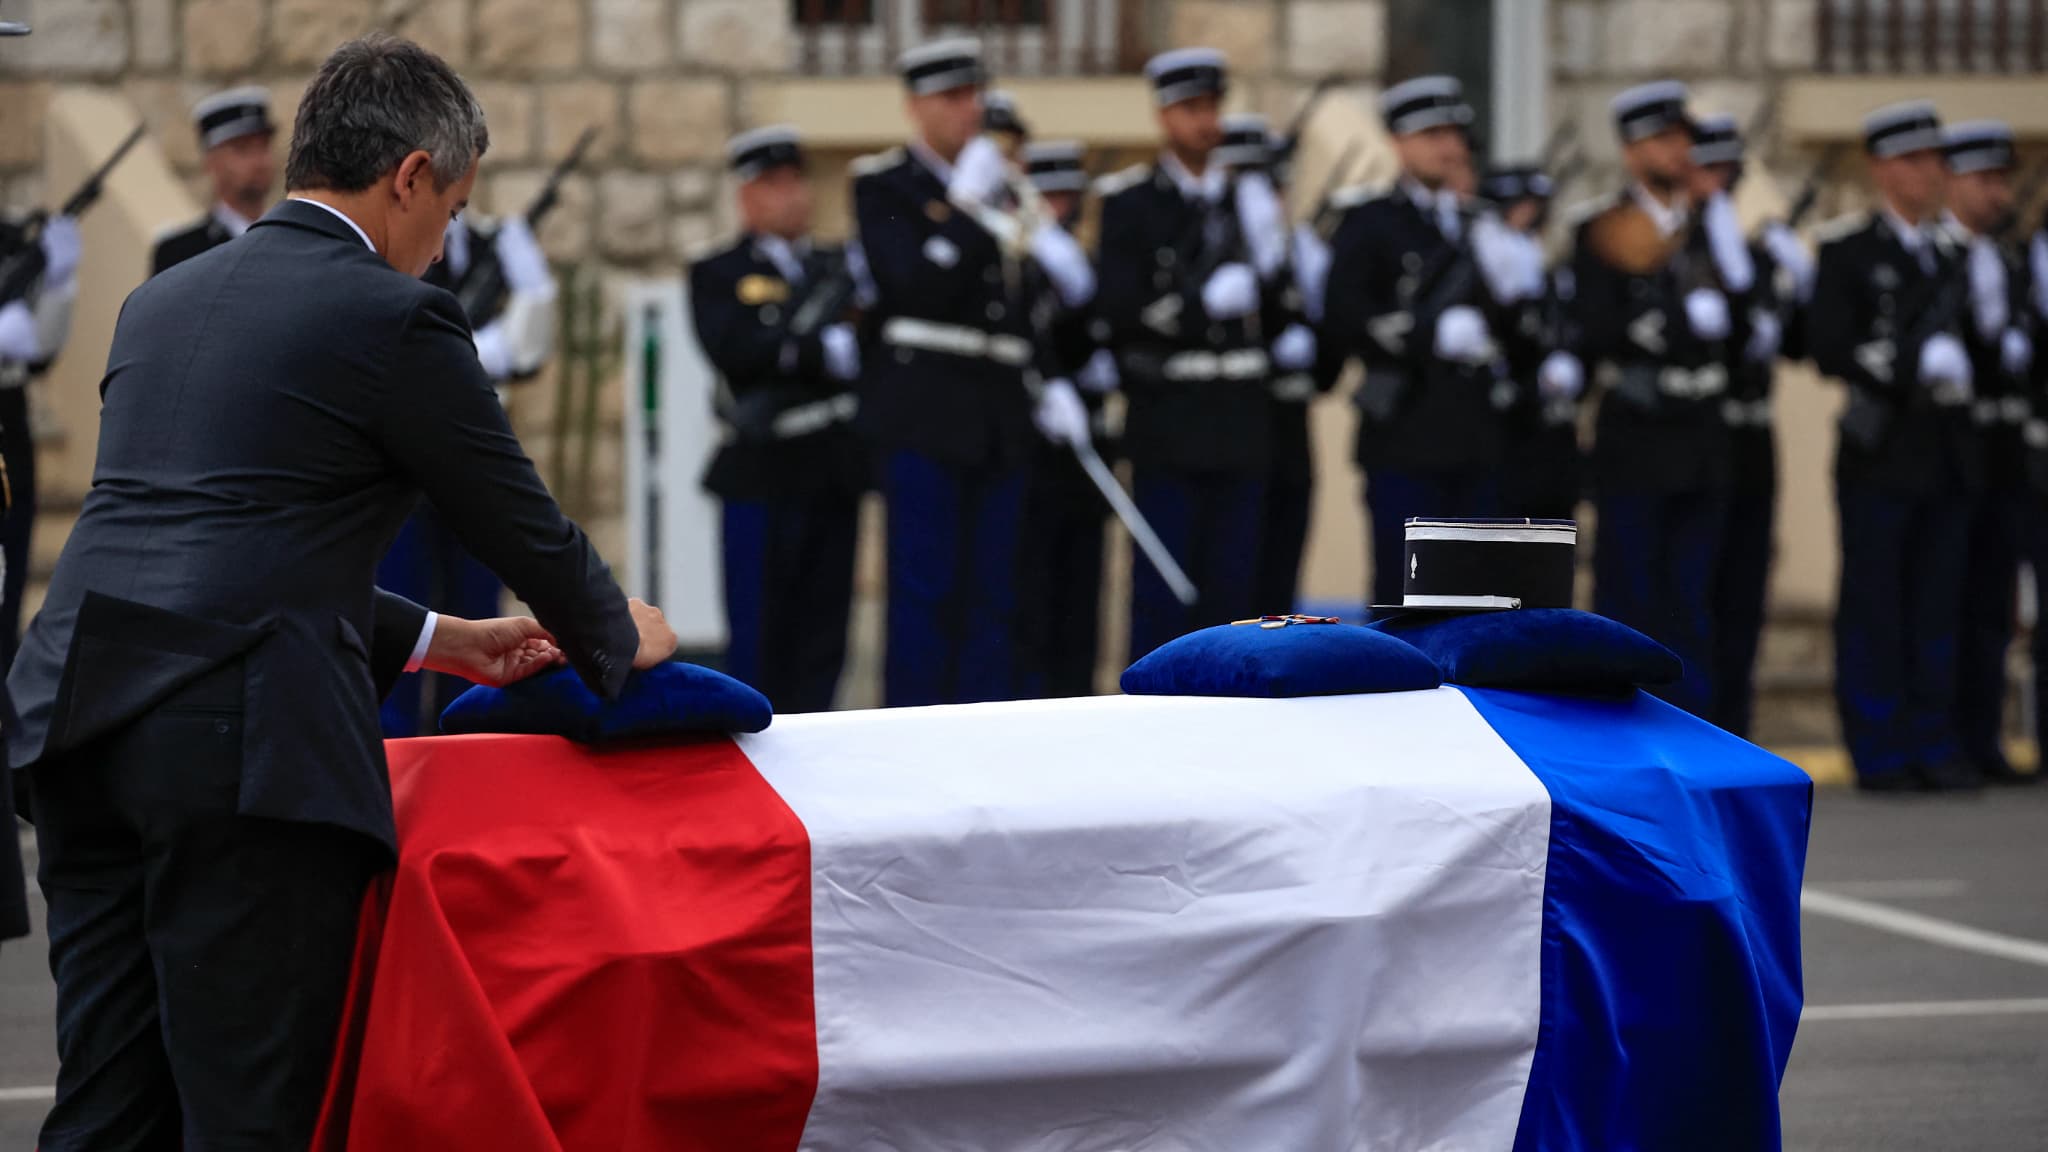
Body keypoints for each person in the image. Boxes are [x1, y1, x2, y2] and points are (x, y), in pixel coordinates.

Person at [8, 35, 676, 1145]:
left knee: (108, 1116)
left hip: (78, 721)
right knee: (253, 1117)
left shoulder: (163, 302)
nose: (444, 241)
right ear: (409, 176)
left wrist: (439, 641)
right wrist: (617, 634)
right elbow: (518, 519)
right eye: (452, 210)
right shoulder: (392, 315)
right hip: (237, 760)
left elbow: (202, 547)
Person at [851, 39, 1037, 706]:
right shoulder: (884, 184)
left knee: (996, 594)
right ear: (915, 106)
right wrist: (963, 206)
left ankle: (987, 737)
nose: (968, 110)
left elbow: (1025, 299)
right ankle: (915, 737)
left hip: (999, 413)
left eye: (974, 95)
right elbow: (910, 283)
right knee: (924, 591)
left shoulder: (1002, 184)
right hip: (925, 411)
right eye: (951, 97)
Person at [1810, 101, 1980, 792]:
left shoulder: (1958, 254)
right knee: (1878, 606)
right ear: (1881, 168)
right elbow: (1826, 346)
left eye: (1935, 160)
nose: (1928, 173)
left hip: (1947, 453)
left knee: (1939, 606)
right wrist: (1908, 364)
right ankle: (1880, 747)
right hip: (1880, 455)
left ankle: (1932, 743)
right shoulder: (1849, 250)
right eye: (1912, 161)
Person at [1096, 48, 1284, 657]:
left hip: (1241, 418)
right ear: (1165, 115)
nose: (1206, 122)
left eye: (1212, 107)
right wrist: (1202, 306)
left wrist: (1275, 255)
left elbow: (1283, 316)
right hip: (1171, 420)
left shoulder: (1246, 201)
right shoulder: (1132, 202)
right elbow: (1120, 310)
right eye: (1191, 109)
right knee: (1164, 593)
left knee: (1236, 591)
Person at [690, 126, 867, 713]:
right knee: (760, 629)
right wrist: (816, 350)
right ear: (747, 197)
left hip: (829, 468)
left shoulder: (836, 267)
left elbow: (867, 346)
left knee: (824, 632)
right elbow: (738, 350)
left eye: (796, 182)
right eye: (774, 185)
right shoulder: (718, 271)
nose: (790, 196)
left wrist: (795, 349)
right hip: (761, 471)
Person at [1570, 81, 1731, 716]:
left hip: (1703, 435)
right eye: (1662, 140)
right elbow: (1592, 326)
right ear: (1632, 152)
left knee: (1695, 597)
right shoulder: (1603, 229)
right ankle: (1625, 724)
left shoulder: (1712, 228)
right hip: (1638, 433)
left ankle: (1693, 724)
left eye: (1683, 139)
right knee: (1630, 591)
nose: (1679, 152)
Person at [1322, 76, 1508, 609]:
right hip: (1405, 434)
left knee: (1477, 597)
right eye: (1432, 135)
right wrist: (1428, 334)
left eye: (1454, 134)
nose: (1448, 148)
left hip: (1475, 435)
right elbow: (1344, 317)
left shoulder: (1479, 223)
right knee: (1403, 594)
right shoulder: (1372, 221)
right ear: (1399, 143)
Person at [375, 200, 558, 736]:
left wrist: (529, 276)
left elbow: (530, 345)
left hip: (472, 460)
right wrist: (478, 350)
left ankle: (469, 741)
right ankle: (395, 745)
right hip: (399, 460)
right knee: (403, 614)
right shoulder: (390, 243)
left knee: (478, 617)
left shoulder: (488, 246)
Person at [1689, 113, 1803, 738]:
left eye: (1728, 171)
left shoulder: (1749, 250)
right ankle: (1702, 722)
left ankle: (1735, 722)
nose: (1720, 183)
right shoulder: (1682, 250)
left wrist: (1794, 285)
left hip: (1752, 440)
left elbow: (1799, 343)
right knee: (1697, 590)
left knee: (1743, 592)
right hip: (1703, 439)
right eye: (1709, 170)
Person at [1941, 120, 2034, 784]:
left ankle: (1983, 738)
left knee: (1991, 607)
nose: (1996, 193)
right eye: (1984, 180)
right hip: (1949, 452)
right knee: (1943, 601)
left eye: (2002, 180)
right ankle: (1942, 739)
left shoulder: (2008, 257)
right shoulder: (1938, 255)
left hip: (2006, 450)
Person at [1217, 114, 1332, 614]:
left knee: (1281, 565)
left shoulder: (1292, 248)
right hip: (1235, 424)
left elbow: (1328, 360)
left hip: (1288, 427)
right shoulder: (1216, 242)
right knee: (1235, 572)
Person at [1014, 137, 1111, 697]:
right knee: (1032, 595)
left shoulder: (1076, 259)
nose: (1060, 207)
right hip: (1033, 450)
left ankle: (1075, 695)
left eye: (1067, 196)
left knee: (1081, 595)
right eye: (1048, 195)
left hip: (1085, 448)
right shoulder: (1022, 259)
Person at [1478, 164, 1585, 523]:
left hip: (1550, 436)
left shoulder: (1548, 269)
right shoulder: (1484, 259)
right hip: (1503, 437)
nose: (1532, 217)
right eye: (1522, 206)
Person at [151, 87, 276, 275]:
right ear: (211, 162)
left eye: (263, 146)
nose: (258, 161)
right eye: (242, 149)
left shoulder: (289, 240)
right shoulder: (181, 253)